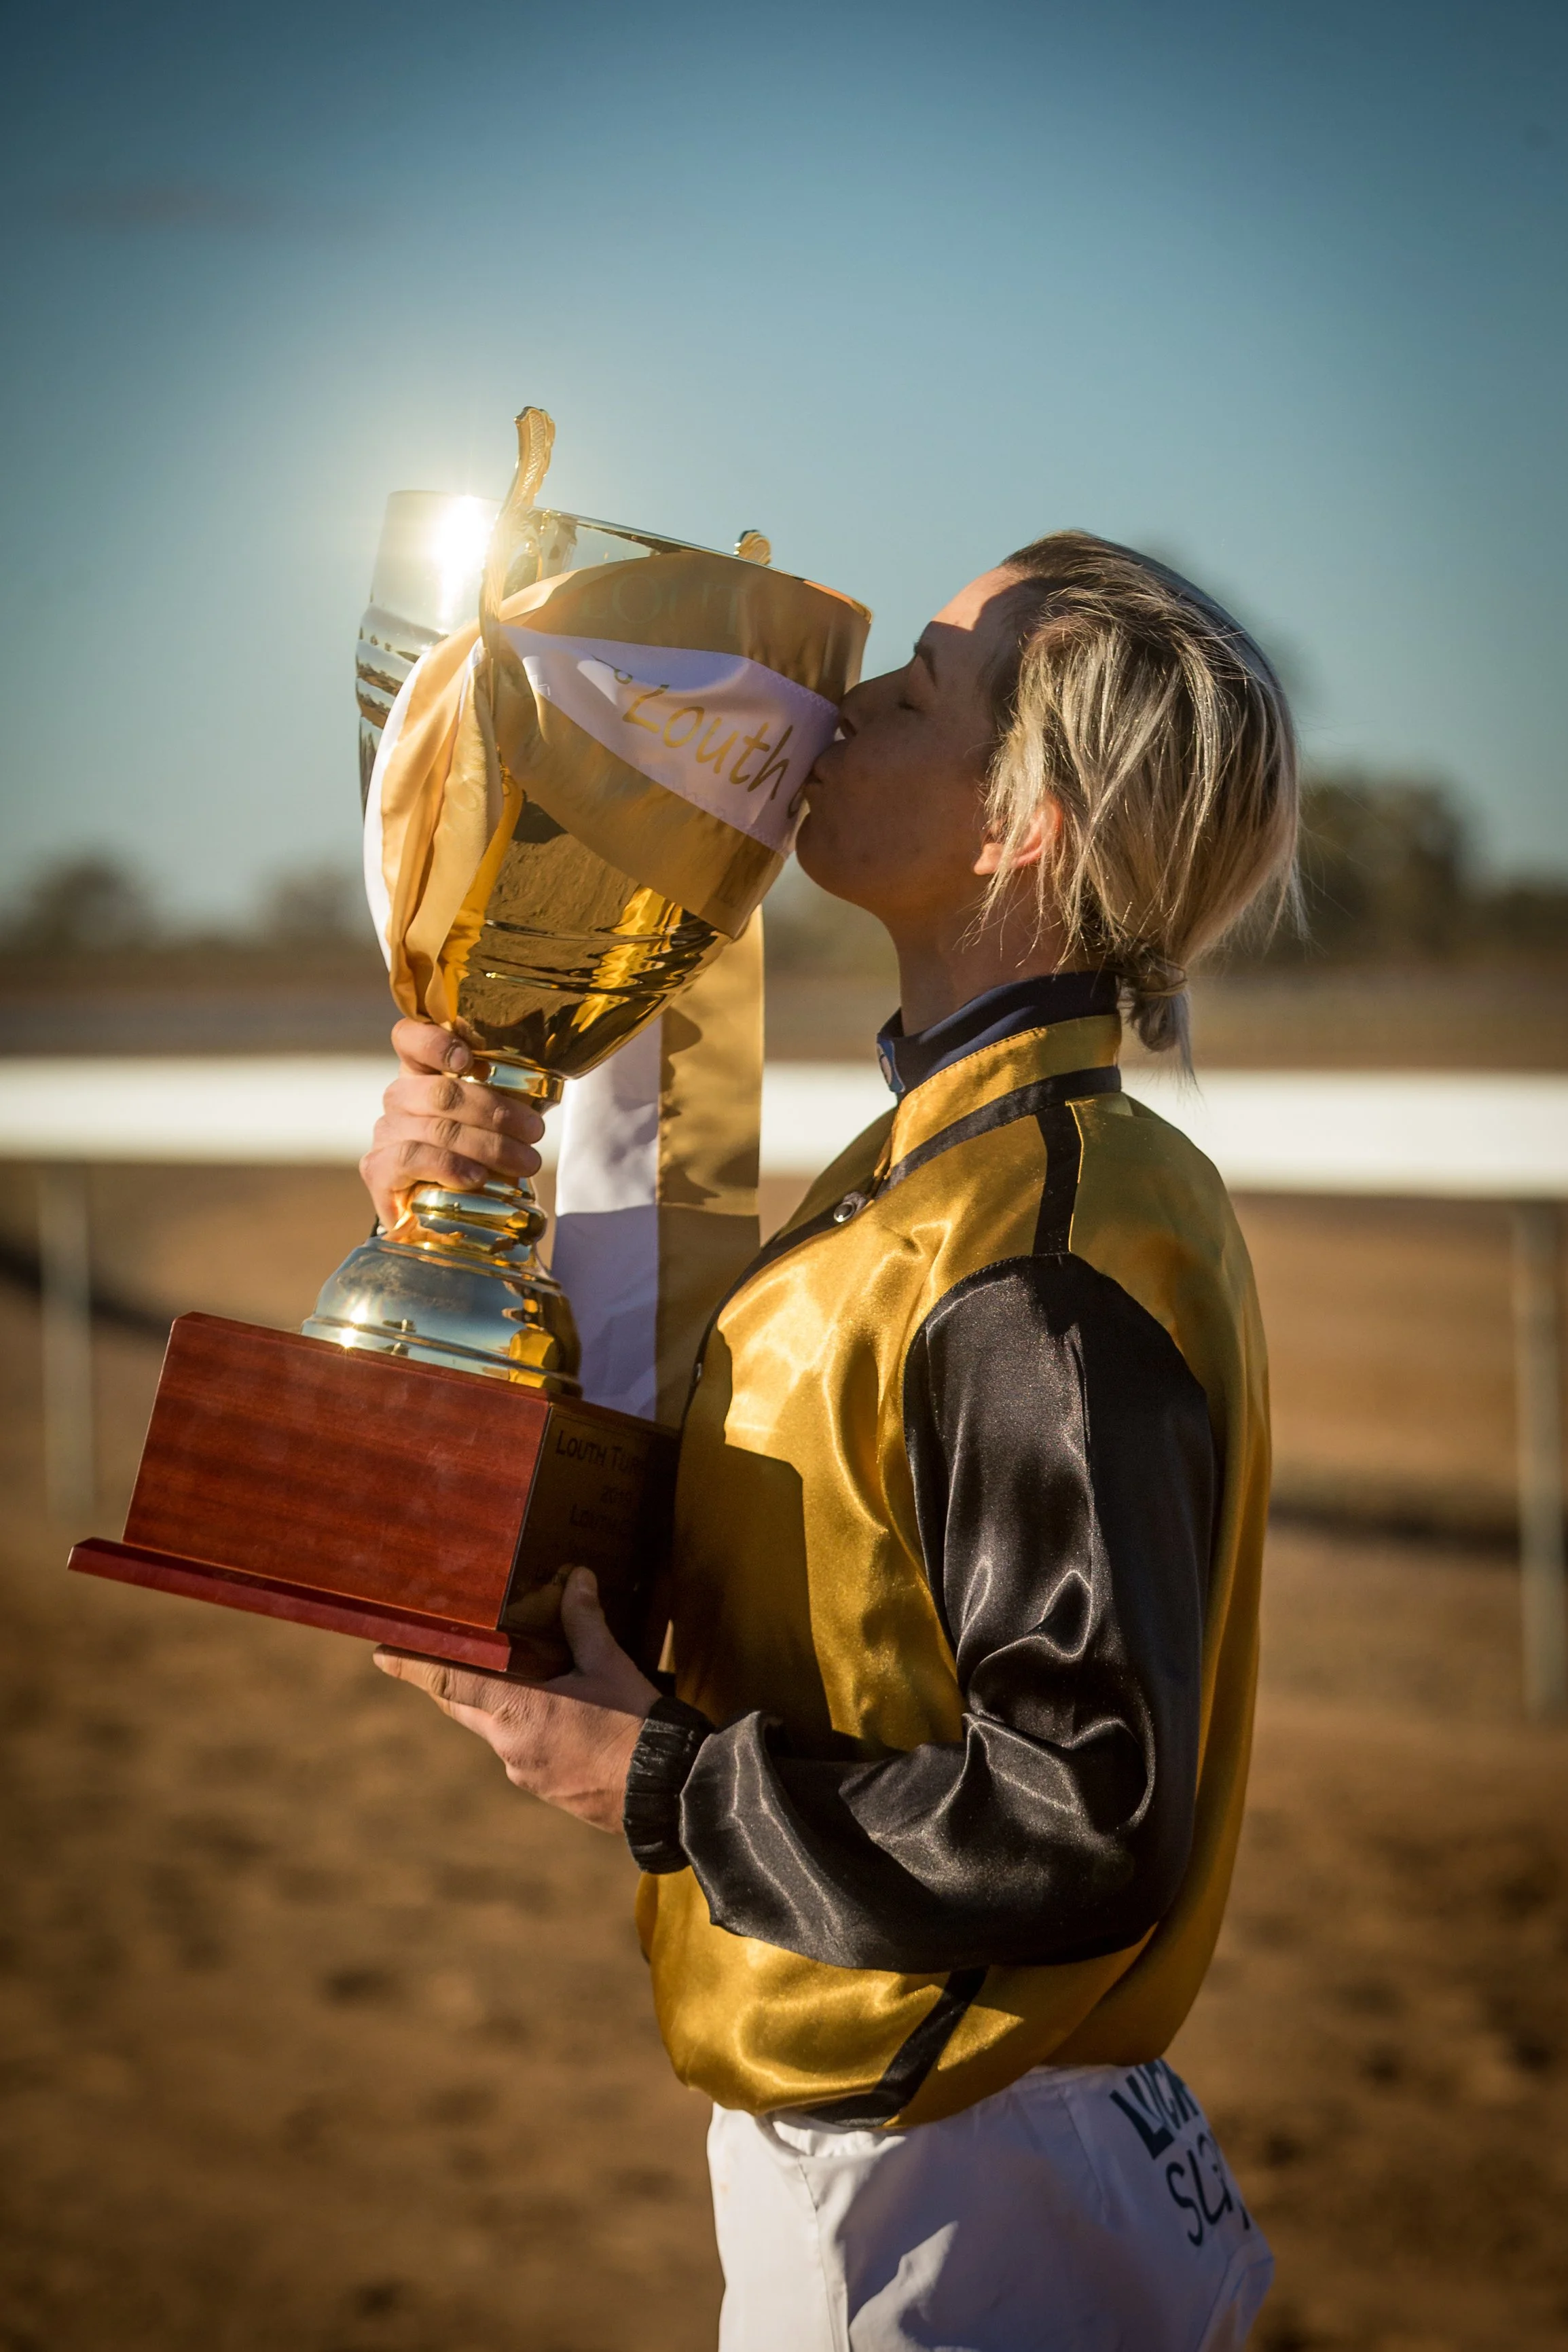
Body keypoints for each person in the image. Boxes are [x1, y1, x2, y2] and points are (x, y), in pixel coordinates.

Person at [363, 532, 1298, 2351]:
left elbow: (1086, 1814)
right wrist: (440, 1248)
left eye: (922, 687)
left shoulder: (1035, 1245)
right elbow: (693, 1580)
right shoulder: (939, 1183)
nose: (847, 695)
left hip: (945, 2194)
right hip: (937, 2135)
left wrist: (660, 1783)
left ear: (1023, 822)